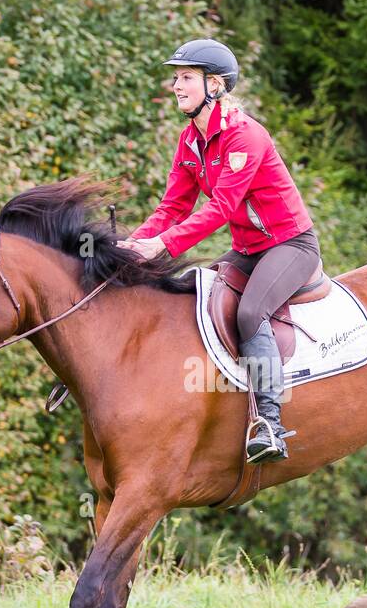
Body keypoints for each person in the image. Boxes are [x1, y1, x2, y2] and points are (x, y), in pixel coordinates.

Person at [118, 38, 320, 464]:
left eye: (186, 78)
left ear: (216, 85)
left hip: (290, 246)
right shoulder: (190, 139)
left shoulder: (245, 136)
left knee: (249, 313)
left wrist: (164, 245)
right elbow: (173, 206)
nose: (176, 85)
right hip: (248, 249)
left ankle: (270, 422)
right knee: (199, 295)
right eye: (176, 77)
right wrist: (135, 244)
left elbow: (222, 207)